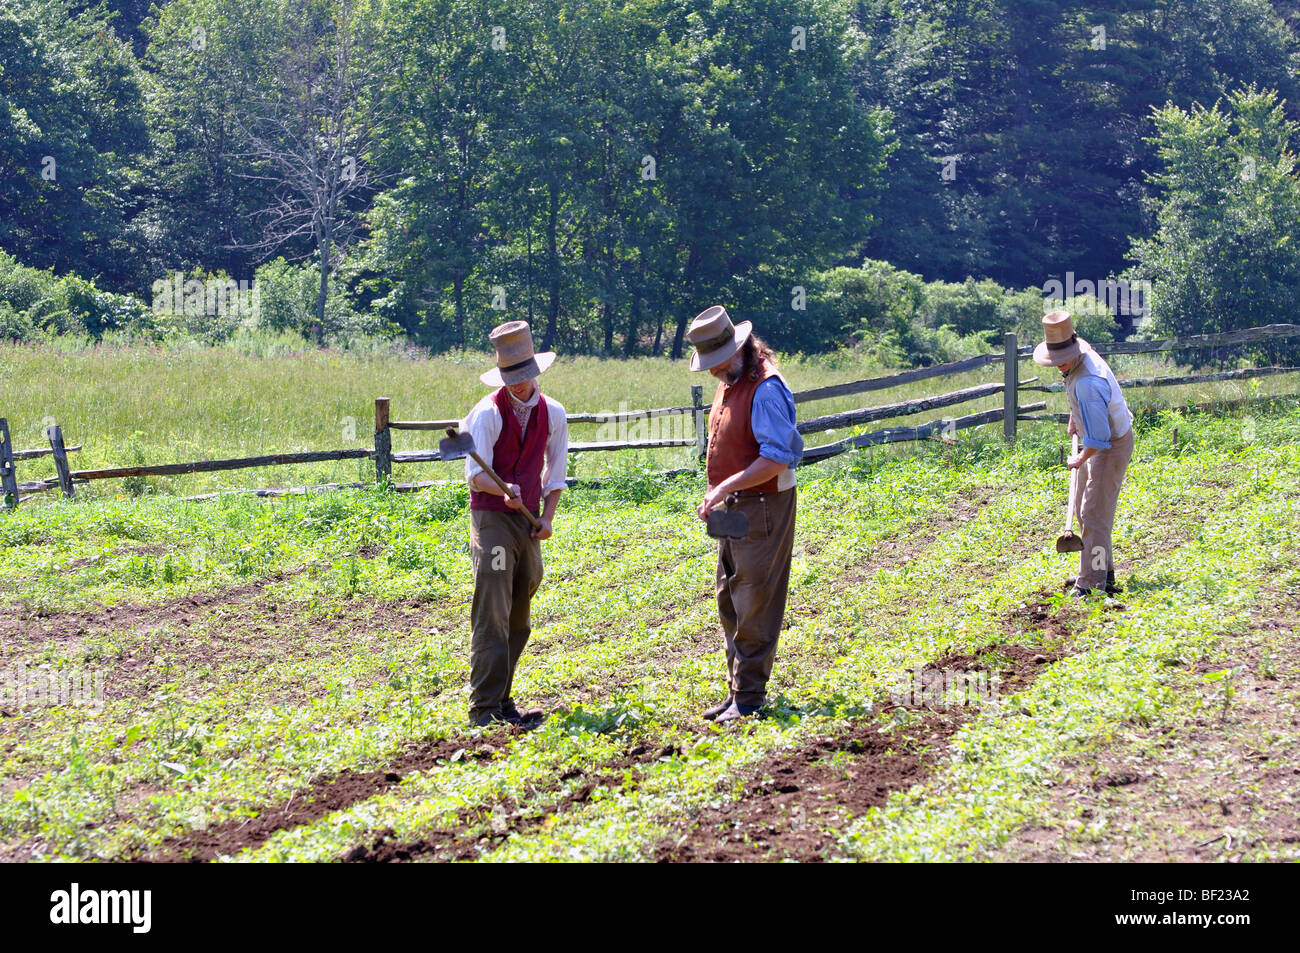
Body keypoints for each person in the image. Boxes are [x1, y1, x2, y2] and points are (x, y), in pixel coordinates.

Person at [686, 305, 803, 723]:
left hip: (764, 506)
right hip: (735, 507)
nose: (715, 372)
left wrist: (722, 487)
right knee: (729, 598)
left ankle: (749, 697)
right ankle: (737, 690)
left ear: (739, 350)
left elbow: (777, 457)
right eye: (710, 365)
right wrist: (716, 494)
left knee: (754, 599)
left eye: (718, 363)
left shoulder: (766, 388)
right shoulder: (732, 379)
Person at [460, 321, 568, 726]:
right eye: (512, 378)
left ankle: (504, 702)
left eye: (525, 376)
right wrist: (501, 485)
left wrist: (547, 519)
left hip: (527, 524)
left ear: (536, 372)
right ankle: (484, 708)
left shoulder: (553, 413)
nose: (520, 385)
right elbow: (474, 473)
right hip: (492, 522)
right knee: (494, 606)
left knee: (520, 613)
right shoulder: (486, 413)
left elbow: (555, 474)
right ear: (503, 376)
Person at [1032, 309, 1134, 597]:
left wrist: (1079, 458)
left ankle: (1093, 582)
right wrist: (1075, 417)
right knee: (1083, 508)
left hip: (1111, 445)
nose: (1058, 364)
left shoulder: (1088, 383)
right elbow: (1083, 403)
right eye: (1055, 359)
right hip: (1099, 438)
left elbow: (1100, 438)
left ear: (1073, 349)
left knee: (1094, 516)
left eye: (1061, 359)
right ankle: (1102, 568)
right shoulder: (1077, 359)